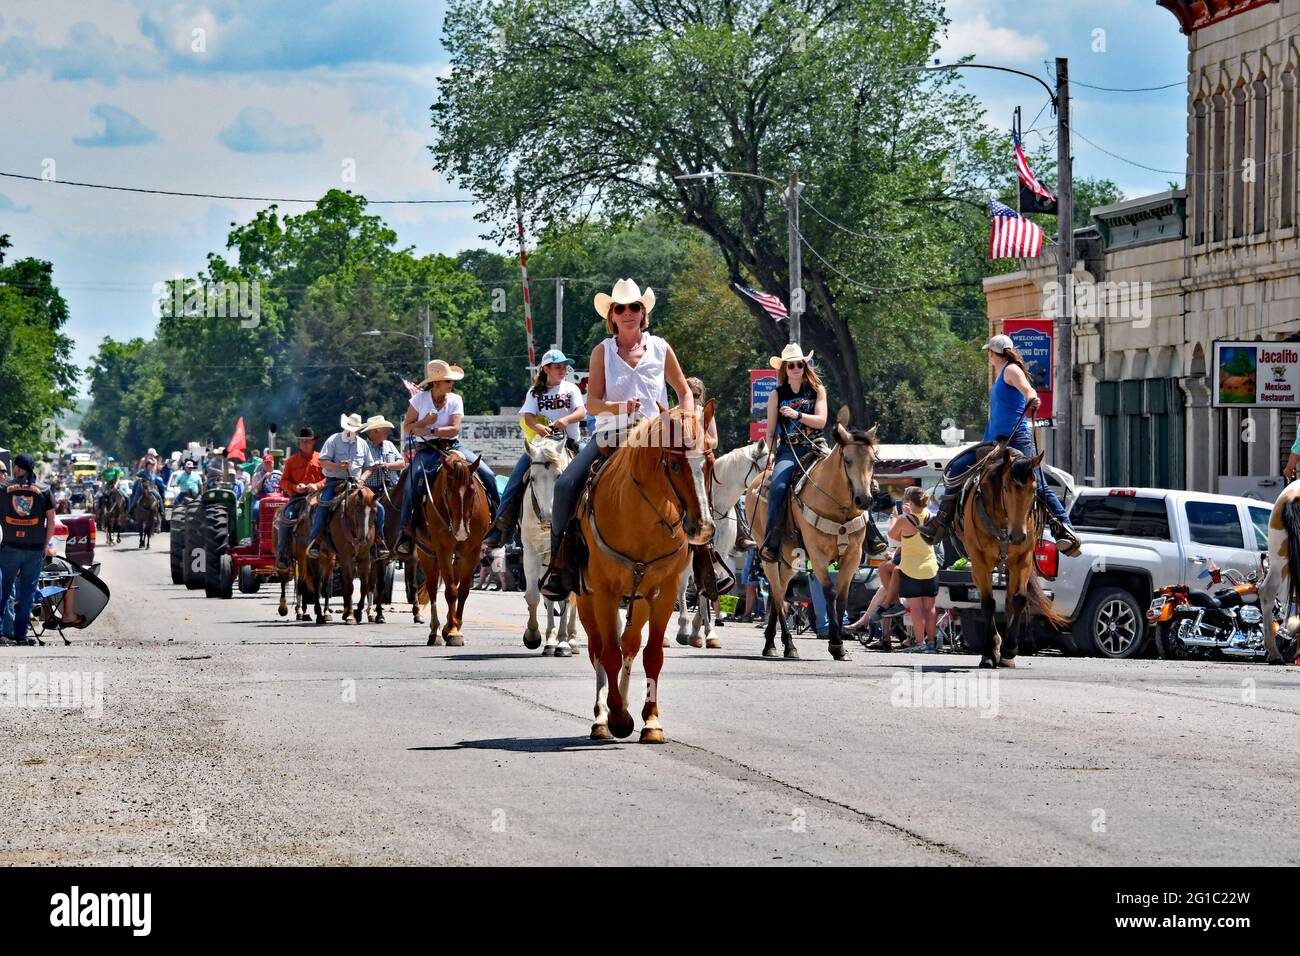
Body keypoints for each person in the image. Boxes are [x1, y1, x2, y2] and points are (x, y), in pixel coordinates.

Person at [539, 278, 695, 601]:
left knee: (696, 480)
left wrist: (686, 420)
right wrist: (618, 407)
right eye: (620, 308)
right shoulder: (602, 352)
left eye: (634, 307)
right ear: (611, 315)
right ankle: (560, 562)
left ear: (643, 313)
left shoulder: (662, 349)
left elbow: (683, 391)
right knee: (565, 485)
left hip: (656, 442)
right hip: (612, 437)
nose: (627, 313)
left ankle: (707, 562)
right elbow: (593, 403)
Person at [921, 334, 1080, 555]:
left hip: (1016, 438)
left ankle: (1064, 529)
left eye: (988, 352)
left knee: (1036, 483)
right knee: (958, 468)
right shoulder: (999, 374)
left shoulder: (1011, 369)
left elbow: (1027, 389)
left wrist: (1032, 397)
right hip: (994, 441)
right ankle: (944, 521)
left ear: (991, 353)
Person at [394, 360, 501, 558]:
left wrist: (431, 429)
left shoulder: (455, 399)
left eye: (451, 381)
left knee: (487, 473)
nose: (451, 384)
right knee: (411, 483)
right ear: (436, 383)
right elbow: (407, 428)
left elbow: (454, 429)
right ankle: (406, 531)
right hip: (426, 449)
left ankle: (499, 523)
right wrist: (426, 421)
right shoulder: (418, 401)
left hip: (453, 446)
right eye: (447, 381)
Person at [484, 348, 587, 548]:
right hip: (541, 447)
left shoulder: (571, 388)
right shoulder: (534, 392)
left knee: (594, 472)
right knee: (515, 481)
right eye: (558, 367)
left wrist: (564, 421)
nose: (563, 370)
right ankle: (502, 526)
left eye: (565, 366)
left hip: (570, 443)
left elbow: (581, 411)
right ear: (546, 369)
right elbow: (528, 416)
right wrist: (540, 428)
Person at [758, 344, 828, 564]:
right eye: (791, 365)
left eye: (800, 364)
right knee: (778, 487)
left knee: (847, 471)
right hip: (788, 449)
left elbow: (821, 421)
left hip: (816, 445)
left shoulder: (817, 389)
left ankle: (869, 536)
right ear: (785, 369)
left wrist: (797, 414)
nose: (796, 368)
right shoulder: (776, 395)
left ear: (805, 366)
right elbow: (770, 431)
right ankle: (772, 541)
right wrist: (770, 456)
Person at [306, 414, 388, 561]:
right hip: (334, 481)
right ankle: (315, 541)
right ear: (345, 427)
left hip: (356, 484)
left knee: (379, 509)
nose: (352, 431)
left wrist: (362, 479)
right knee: (323, 505)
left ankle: (379, 541)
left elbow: (369, 467)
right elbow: (323, 462)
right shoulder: (333, 440)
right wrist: (338, 466)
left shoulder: (362, 444)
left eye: (355, 429)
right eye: (350, 428)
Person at [0, 455, 58, 646]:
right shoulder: (44, 490)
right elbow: (51, 520)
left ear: (17, 467)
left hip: (9, 547)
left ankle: (3, 632)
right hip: (34, 549)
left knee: (5, 591)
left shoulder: (3, 488)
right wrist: (45, 544)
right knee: (27, 593)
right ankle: (21, 635)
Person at [890, 486, 940, 652]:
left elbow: (892, 535)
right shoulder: (931, 517)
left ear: (909, 502)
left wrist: (897, 516)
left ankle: (920, 643)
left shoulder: (905, 519)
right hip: (930, 567)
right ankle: (931, 643)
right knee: (930, 607)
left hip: (911, 568)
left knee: (916, 608)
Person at [276, 427, 325, 571]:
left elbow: (328, 478)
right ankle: (283, 554)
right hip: (297, 498)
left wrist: (316, 485)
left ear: (313, 442)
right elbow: (283, 481)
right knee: (285, 518)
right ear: (299, 443)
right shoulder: (291, 462)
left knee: (328, 516)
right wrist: (295, 488)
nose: (305, 443)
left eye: (307, 441)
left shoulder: (322, 459)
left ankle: (332, 551)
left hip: (317, 497)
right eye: (302, 441)